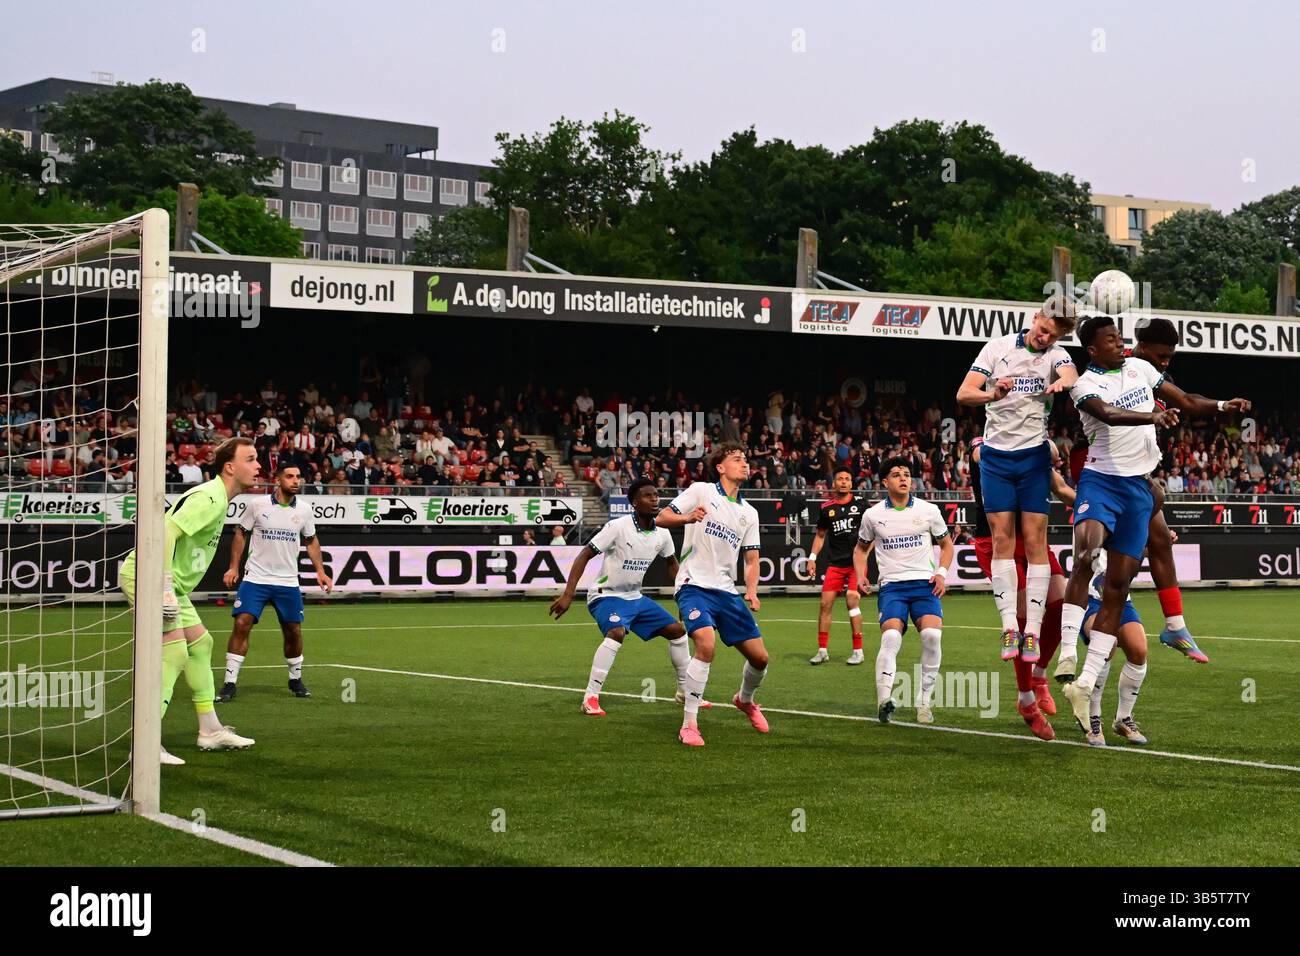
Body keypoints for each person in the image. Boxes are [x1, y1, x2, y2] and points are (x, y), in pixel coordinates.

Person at [1059, 315, 1250, 727]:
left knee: (1121, 583)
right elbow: (1107, 414)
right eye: (1110, 339)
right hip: (1101, 480)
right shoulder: (1084, 384)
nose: (1118, 342)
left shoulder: (1141, 368)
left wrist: (1221, 406)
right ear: (1093, 349)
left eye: (1119, 336)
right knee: (1088, 553)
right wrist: (1151, 418)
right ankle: (1068, 653)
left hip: (1138, 487)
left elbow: (1184, 398)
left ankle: (1090, 683)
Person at [117, 437, 261, 765]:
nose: (258, 465)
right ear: (230, 466)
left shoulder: (219, 498)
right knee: (174, 650)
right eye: (251, 459)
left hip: (168, 584)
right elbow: (165, 530)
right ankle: (145, 739)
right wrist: (164, 584)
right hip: (148, 576)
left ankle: (210, 730)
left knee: (201, 644)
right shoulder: (209, 497)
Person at [956, 295, 1077, 663]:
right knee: (1003, 538)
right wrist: (994, 393)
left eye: (1051, 336)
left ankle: (1032, 634)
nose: (1044, 339)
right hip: (996, 458)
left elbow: (1071, 373)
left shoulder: (1056, 355)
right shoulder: (997, 348)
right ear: (1035, 317)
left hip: (1033, 457)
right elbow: (964, 393)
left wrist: (1062, 384)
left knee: (1036, 540)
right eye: (1042, 331)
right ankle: (1009, 626)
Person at [654, 443, 768, 747]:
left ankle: (745, 700)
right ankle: (689, 725)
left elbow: (752, 559)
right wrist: (687, 518)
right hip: (693, 585)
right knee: (706, 644)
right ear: (720, 467)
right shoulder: (702, 490)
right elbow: (662, 517)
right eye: (737, 459)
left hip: (727, 591)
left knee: (760, 659)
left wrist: (752, 592)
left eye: (746, 459)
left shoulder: (750, 512)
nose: (745, 464)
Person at [550, 478, 693, 717]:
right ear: (635, 503)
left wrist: (683, 595)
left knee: (678, 632)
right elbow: (584, 555)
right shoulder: (618, 527)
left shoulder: (662, 533)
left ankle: (684, 692)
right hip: (606, 596)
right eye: (648, 496)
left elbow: (672, 564)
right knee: (616, 633)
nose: (655, 499)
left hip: (635, 597)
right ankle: (590, 697)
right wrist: (568, 594)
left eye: (656, 495)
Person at [218, 464, 334, 702]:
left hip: (287, 581)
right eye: (290, 476)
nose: (295, 481)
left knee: (293, 631)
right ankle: (229, 683)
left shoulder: (304, 510)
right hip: (256, 578)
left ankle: (295, 679)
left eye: (298, 476)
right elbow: (240, 532)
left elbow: (311, 541)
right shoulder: (257, 505)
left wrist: (320, 571)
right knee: (242, 623)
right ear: (277, 479)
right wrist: (233, 566)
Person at [852, 457, 954, 724]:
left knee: (932, 637)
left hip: (924, 585)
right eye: (896, 474)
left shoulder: (929, 510)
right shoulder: (872, 515)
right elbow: (861, 549)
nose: (903, 478)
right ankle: (884, 699)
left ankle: (924, 703)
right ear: (885, 481)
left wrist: (941, 574)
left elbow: (947, 545)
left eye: (906, 474)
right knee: (891, 640)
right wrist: (861, 575)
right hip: (892, 587)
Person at [807, 467, 868, 665]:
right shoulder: (826, 508)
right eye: (840, 479)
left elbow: (874, 530)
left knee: (852, 600)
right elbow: (820, 535)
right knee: (825, 605)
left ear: (851, 483)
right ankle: (822, 650)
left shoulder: (861, 504)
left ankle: (858, 650)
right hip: (835, 563)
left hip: (855, 565)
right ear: (834, 483)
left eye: (847, 479)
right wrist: (812, 558)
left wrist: (865, 553)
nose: (843, 482)